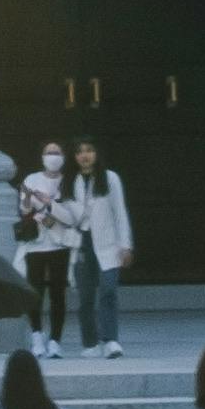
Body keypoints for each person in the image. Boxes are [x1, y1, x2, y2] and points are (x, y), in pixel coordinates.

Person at [65, 145, 135, 348]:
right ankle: (90, 343)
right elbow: (67, 215)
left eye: (89, 151)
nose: (85, 156)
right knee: (86, 297)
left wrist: (126, 245)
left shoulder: (110, 177)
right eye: (79, 152)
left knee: (109, 291)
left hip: (108, 243)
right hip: (82, 243)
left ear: (96, 154)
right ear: (75, 157)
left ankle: (110, 340)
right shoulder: (70, 180)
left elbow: (120, 212)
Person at [17, 141, 78, 345]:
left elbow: (71, 218)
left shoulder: (69, 182)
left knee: (57, 293)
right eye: (48, 152)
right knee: (35, 291)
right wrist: (27, 200)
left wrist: (48, 203)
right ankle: (36, 335)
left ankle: (55, 340)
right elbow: (25, 210)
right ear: (42, 157)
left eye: (57, 152)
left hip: (60, 243)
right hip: (36, 243)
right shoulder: (32, 179)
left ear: (63, 156)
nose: (52, 156)